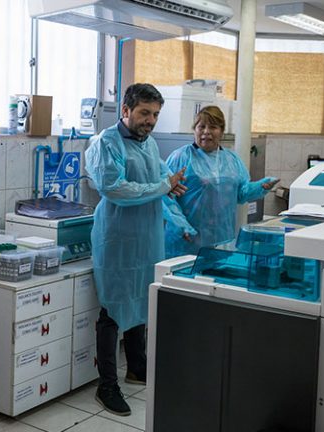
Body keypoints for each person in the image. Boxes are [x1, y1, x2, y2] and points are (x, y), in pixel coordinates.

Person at [85, 83, 187, 416]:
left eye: (155, 114)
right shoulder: (105, 144)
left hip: (147, 237)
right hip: (118, 238)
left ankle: (136, 367)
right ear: (125, 110)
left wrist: (171, 186)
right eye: (144, 113)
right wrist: (162, 186)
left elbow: (160, 175)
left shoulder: (149, 143)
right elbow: (116, 189)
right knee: (114, 308)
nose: (150, 120)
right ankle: (107, 386)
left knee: (141, 300)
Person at [163, 105, 279, 258]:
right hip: (186, 240)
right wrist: (181, 226)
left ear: (221, 131)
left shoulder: (232, 160)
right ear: (194, 130)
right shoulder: (181, 157)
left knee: (215, 279)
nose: (206, 132)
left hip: (221, 239)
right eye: (201, 126)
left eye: (213, 127)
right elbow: (165, 196)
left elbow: (241, 193)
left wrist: (261, 186)